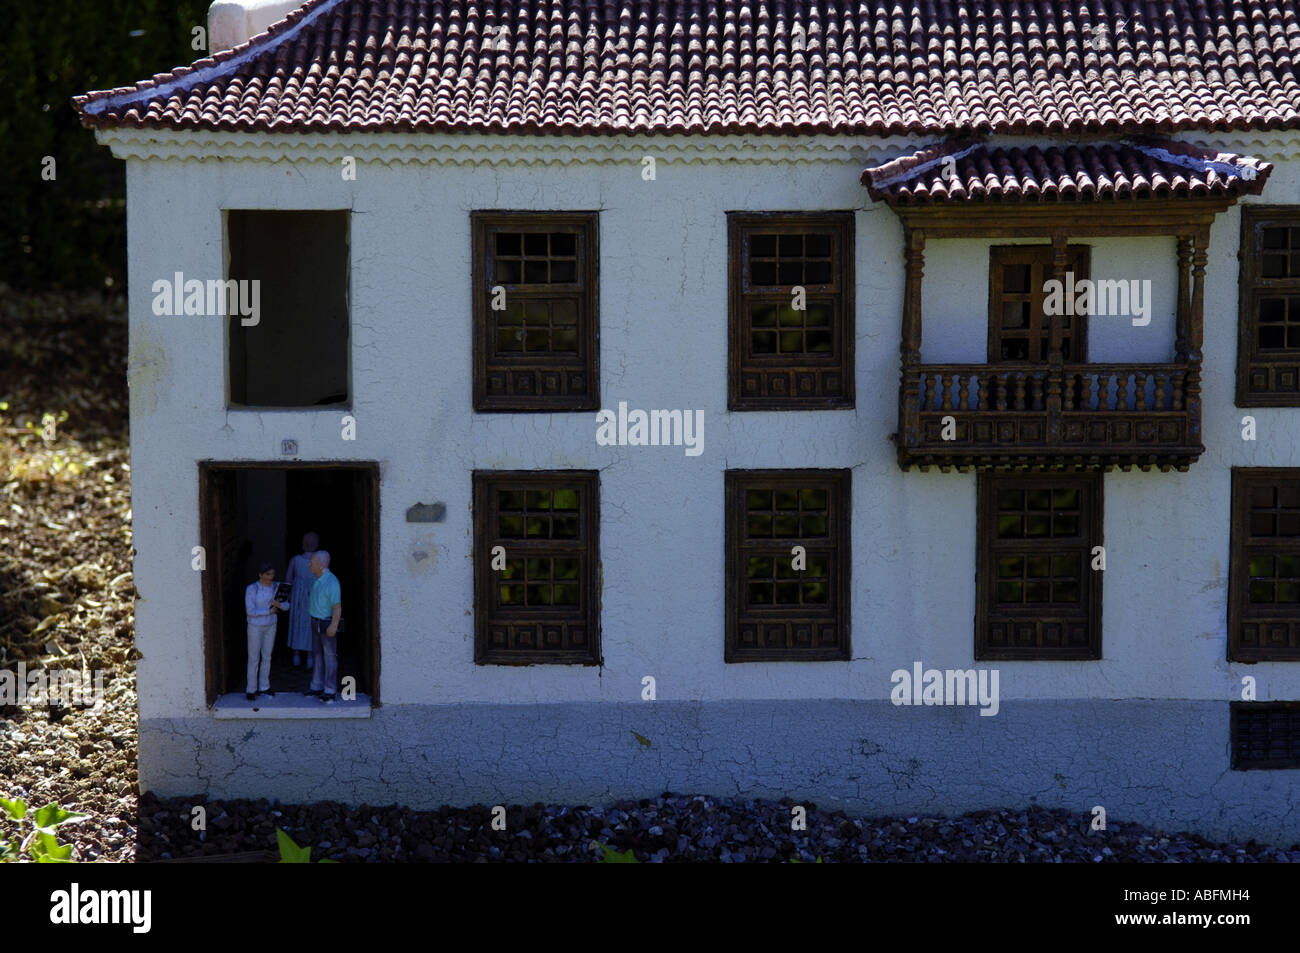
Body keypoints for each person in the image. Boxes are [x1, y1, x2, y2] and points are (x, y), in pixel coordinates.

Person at [245, 561, 287, 701]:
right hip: (255, 626)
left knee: (267, 656)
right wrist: (268, 611)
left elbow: (286, 606)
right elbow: (250, 610)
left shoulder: (277, 587)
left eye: (272, 574)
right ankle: (251, 688)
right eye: (268, 574)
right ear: (260, 575)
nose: (271, 577)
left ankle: (264, 686)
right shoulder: (252, 589)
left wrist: (279, 604)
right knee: (253, 657)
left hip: (270, 625)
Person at [305, 550, 343, 704]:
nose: (309, 565)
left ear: (321, 565)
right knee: (317, 654)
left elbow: (337, 607)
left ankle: (330, 689)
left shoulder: (331, 582)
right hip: (315, 621)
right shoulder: (316, 580)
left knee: (329, 656)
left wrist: (334, 625)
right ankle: (316, 685)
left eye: (312, 562)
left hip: (326, 622)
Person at [283, 532, 319, 667]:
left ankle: (296, 655)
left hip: (298, 596)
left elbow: (288, 579)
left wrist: (288, 596)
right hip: (311, 595)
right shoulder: (318, 560)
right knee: (310, 625)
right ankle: (310, 657)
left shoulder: (295, 559)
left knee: (297, 624)